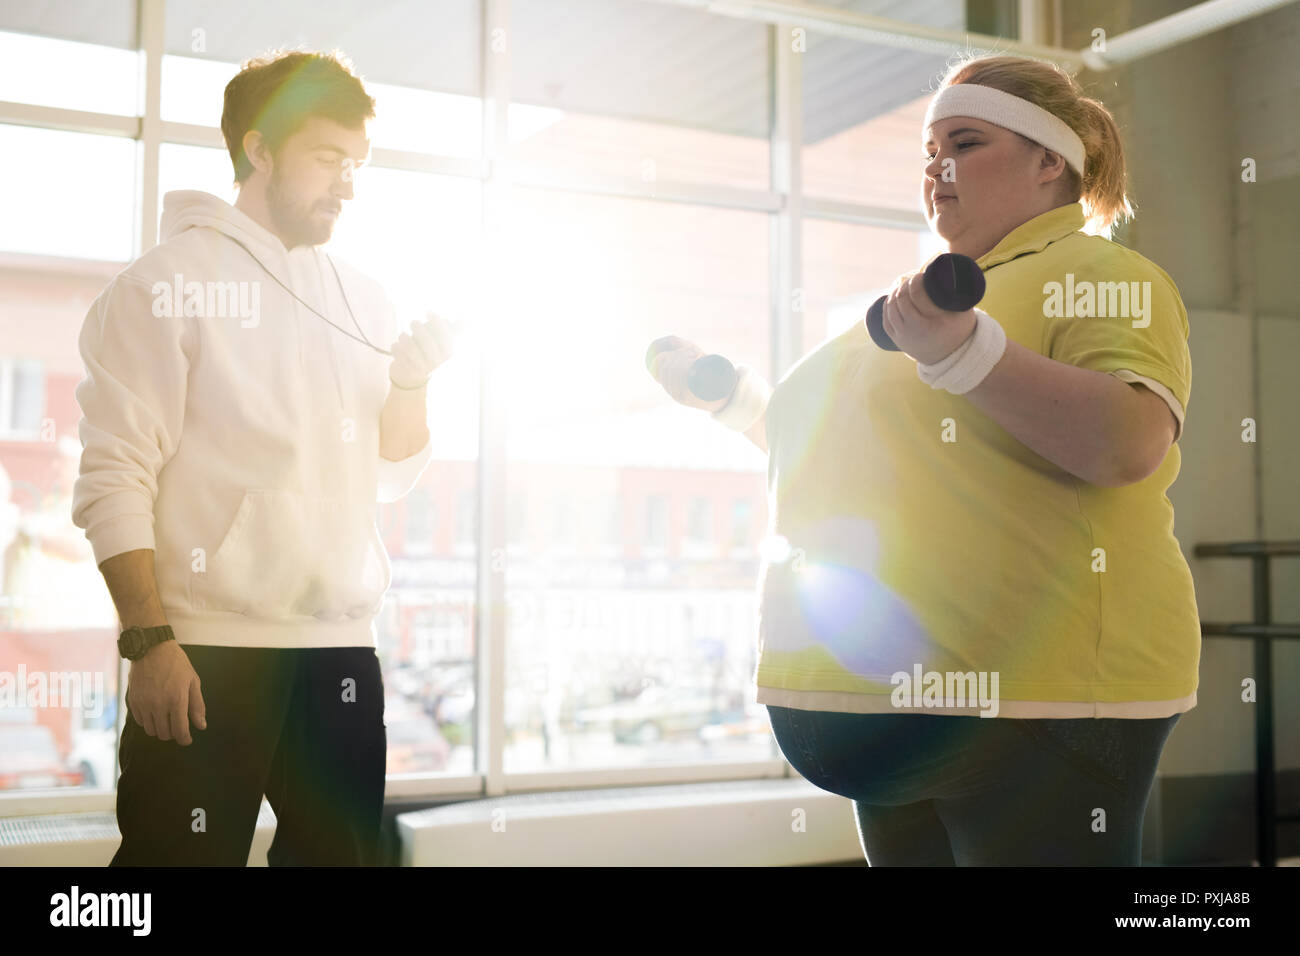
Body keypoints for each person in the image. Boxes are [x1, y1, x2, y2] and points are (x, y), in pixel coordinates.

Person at [648, 54, 1196, 866]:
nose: (937, 168)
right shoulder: (923, 304)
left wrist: (967, 352)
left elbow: (1127, 441)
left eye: (965, 142)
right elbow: (854, 461)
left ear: (1051, 160)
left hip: (1033, 700)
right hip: (889, 706)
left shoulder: (1102, 274)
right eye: (928, 152)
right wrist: (732, 401)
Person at [71, 49, 453, 866]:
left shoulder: (364, 294)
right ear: (259, 150)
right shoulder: (160, 285)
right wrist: (148, 643)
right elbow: (114, 475)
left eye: (355, 164)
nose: (346, 182)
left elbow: (388, 472)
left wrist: (411, 383)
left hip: (341, 650)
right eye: (326, 158)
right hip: (206, 651)